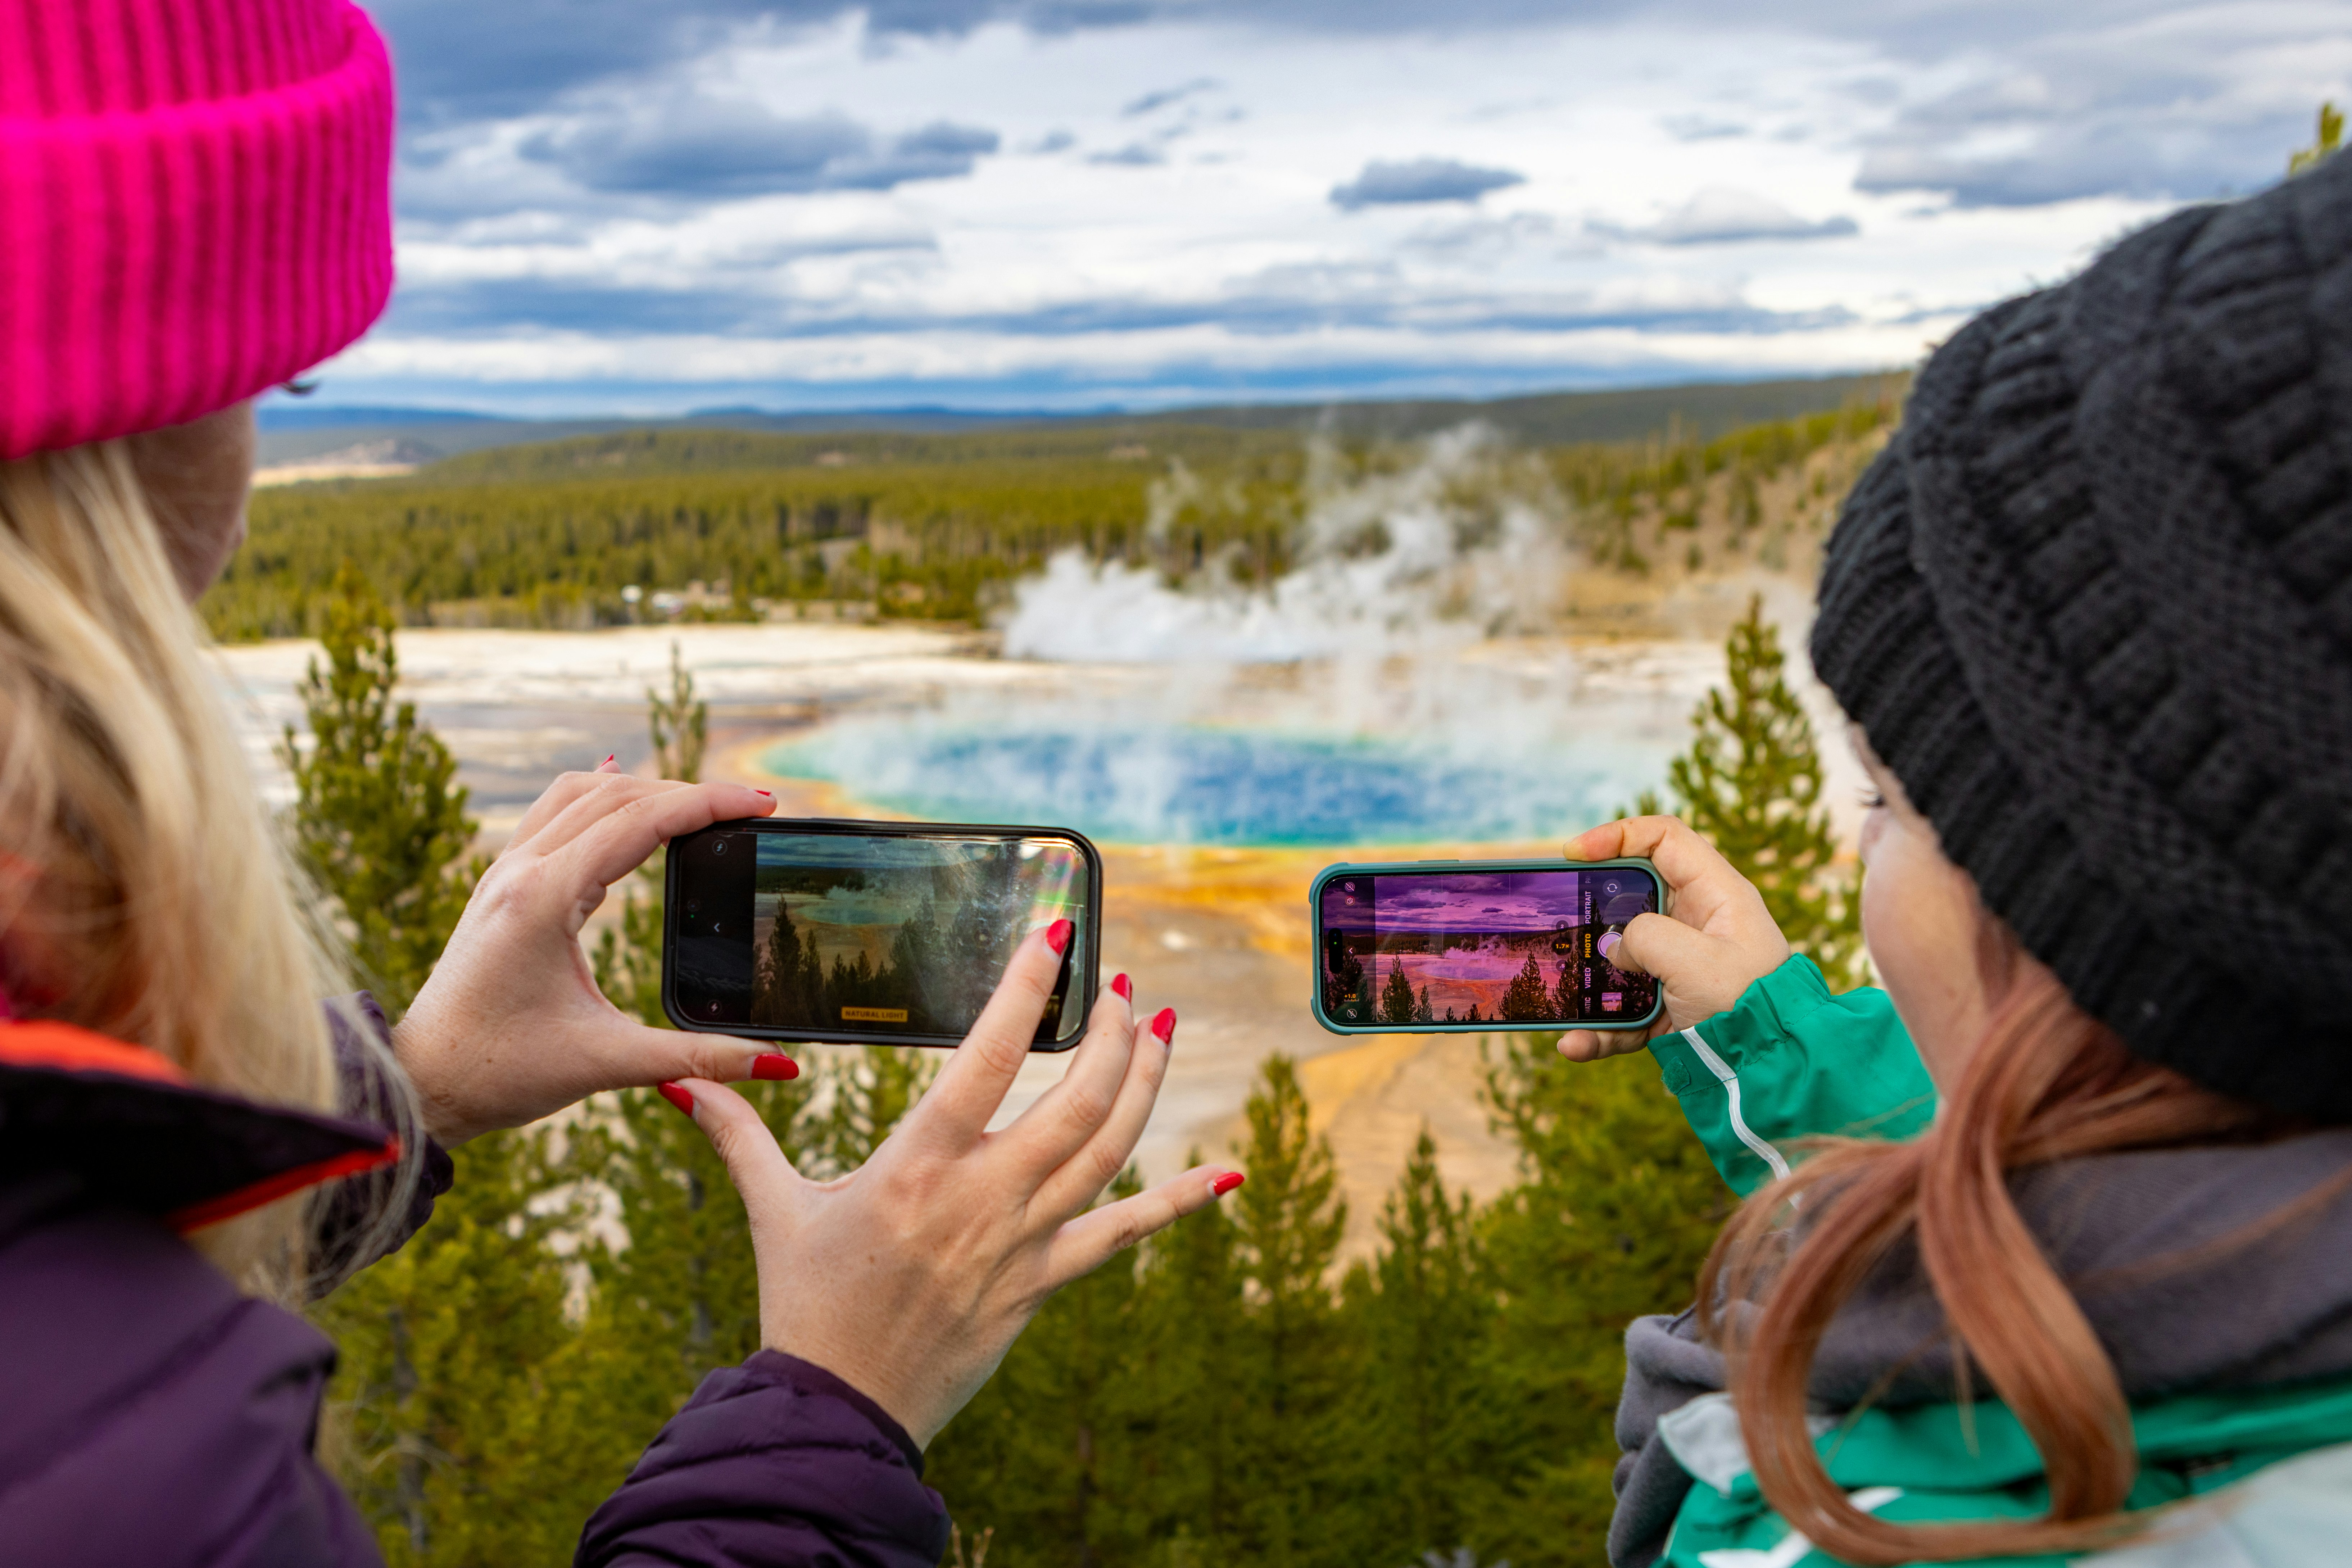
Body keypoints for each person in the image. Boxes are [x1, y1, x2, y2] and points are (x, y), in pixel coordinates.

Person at [0, 4, 1235, 1564]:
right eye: (280, 384)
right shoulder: (142, 1479)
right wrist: (840, 1398)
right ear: (105, 449)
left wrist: (408, 1090)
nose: (245, 489)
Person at [1552, 146, 2352, 1564]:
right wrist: (1771, 1034)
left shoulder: (1892, 1532)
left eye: (1890, 805)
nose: (1864, 848)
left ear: (2128, 918)